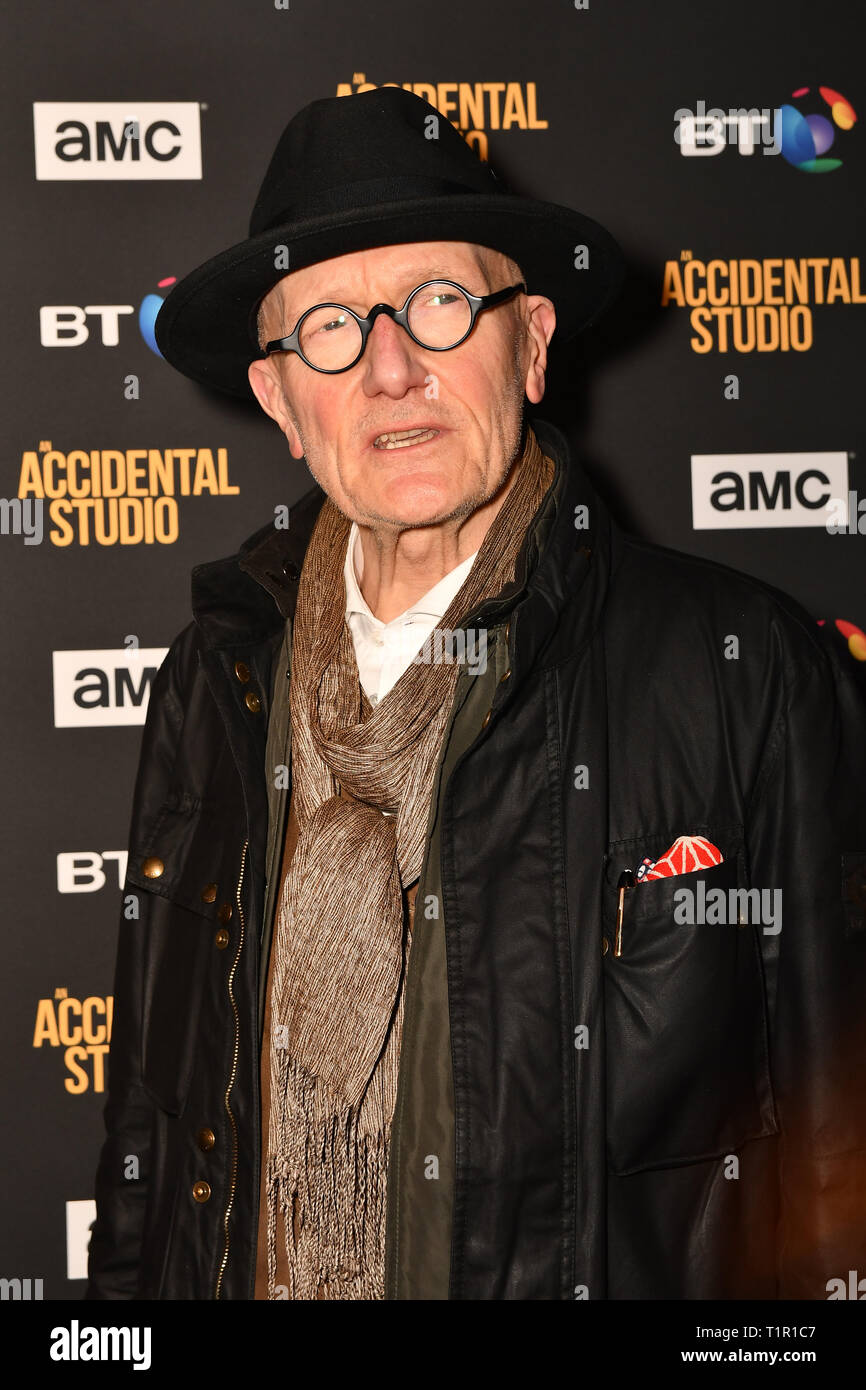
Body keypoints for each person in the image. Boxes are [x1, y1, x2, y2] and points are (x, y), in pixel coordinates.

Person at [85, 85, 866, 1302]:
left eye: (441, 304)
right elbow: (150, 1114)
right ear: (284, 400)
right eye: (331, 328)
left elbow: (837, 1153)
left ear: (533, 341)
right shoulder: (214, 678)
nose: (390, 367)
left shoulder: (744, 666)